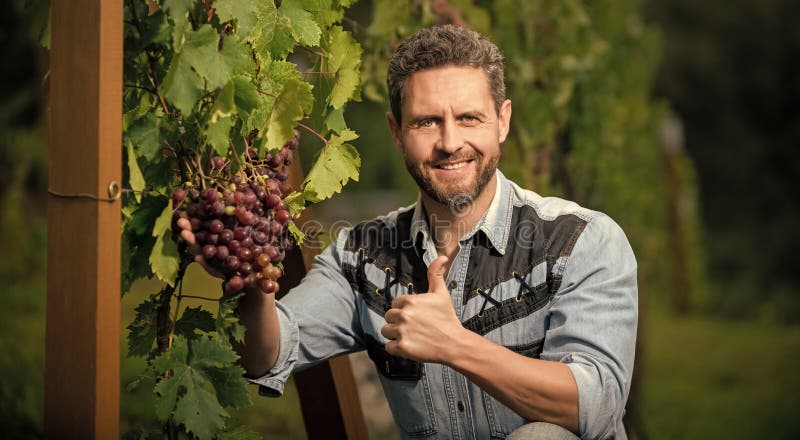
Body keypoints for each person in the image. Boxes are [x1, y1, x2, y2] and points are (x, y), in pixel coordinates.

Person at [184, 24, 637, 440]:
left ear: (503, 121)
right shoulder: (363, 255)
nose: (449, 142)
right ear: (397, 132)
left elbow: (595, 408)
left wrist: (454, 345)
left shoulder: (581, 240)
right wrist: (245, 274)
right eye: (426, 122)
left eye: (469, 118)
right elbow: (266, 356)